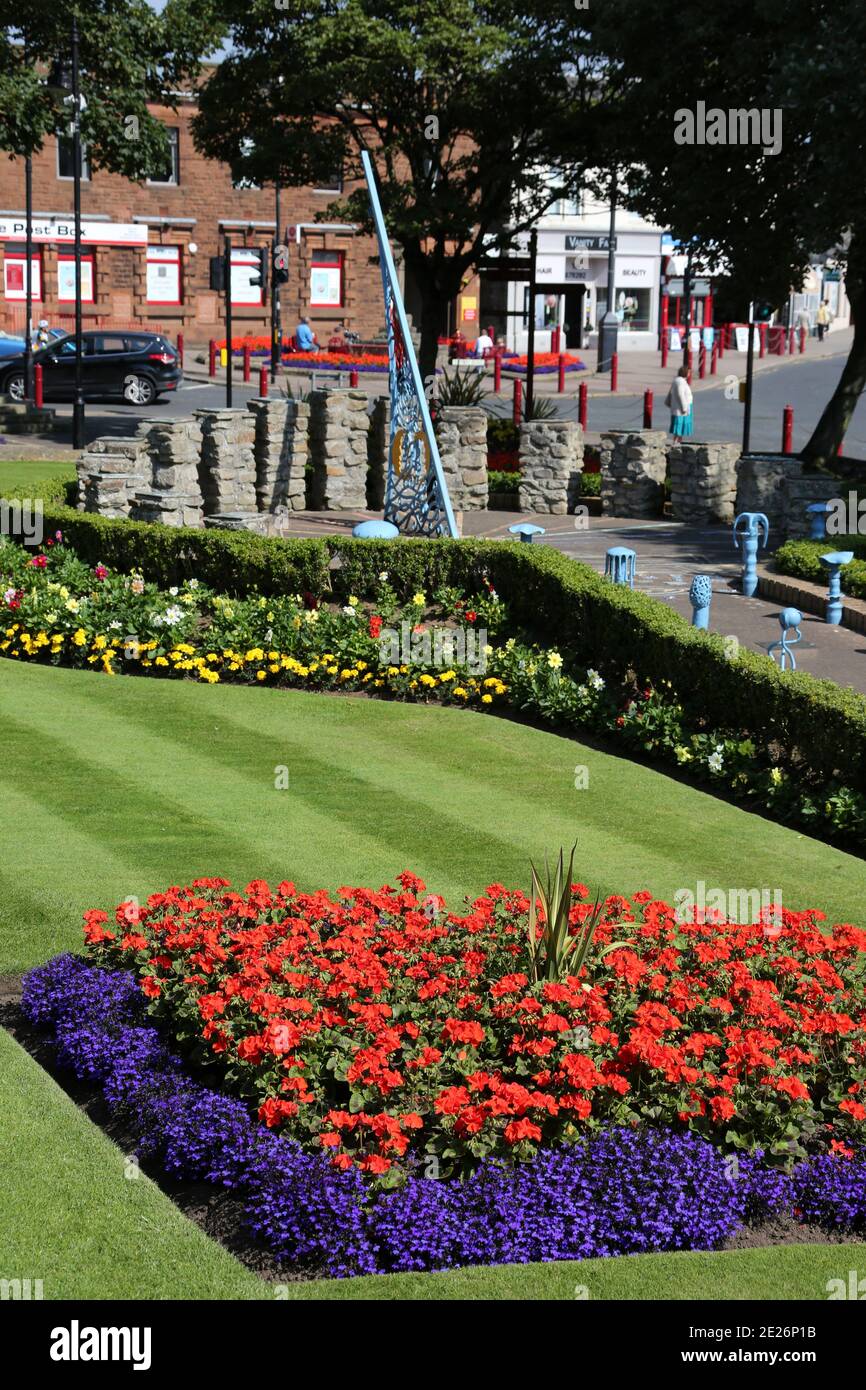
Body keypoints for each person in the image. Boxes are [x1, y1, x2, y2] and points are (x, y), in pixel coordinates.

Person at [665, 365, 693, 437]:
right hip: (681, 408)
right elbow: (681, 395)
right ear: (685, 373)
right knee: (679, 426)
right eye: (689, 372)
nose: (689, 374)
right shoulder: (680, 382)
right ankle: (676, 443)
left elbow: (671, 393)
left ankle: (678, 442)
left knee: (680, 426)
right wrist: (684, 408)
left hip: (679, 407)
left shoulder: (678, 381)